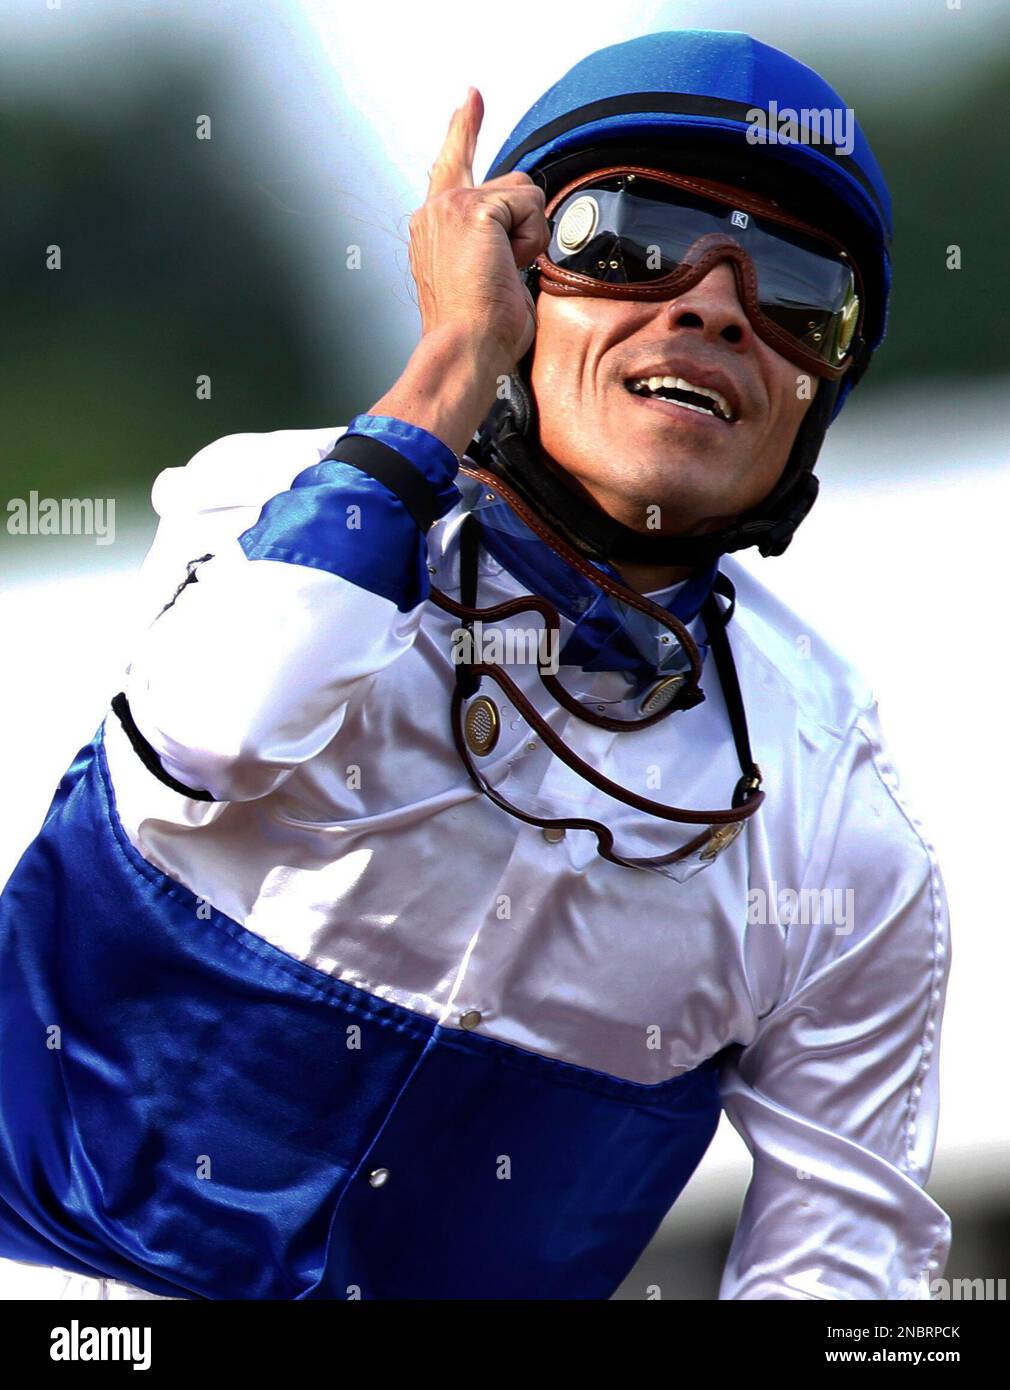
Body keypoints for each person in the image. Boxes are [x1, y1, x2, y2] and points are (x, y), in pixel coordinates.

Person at [0, 29, 951, 1301]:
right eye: (631, 236)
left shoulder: (848, 837)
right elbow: (223, 727)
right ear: (508, 283)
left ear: (814, 395)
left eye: (792, 286)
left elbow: (848, 1281)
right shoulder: (259, 502)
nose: (714, 303)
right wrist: (450, 360)